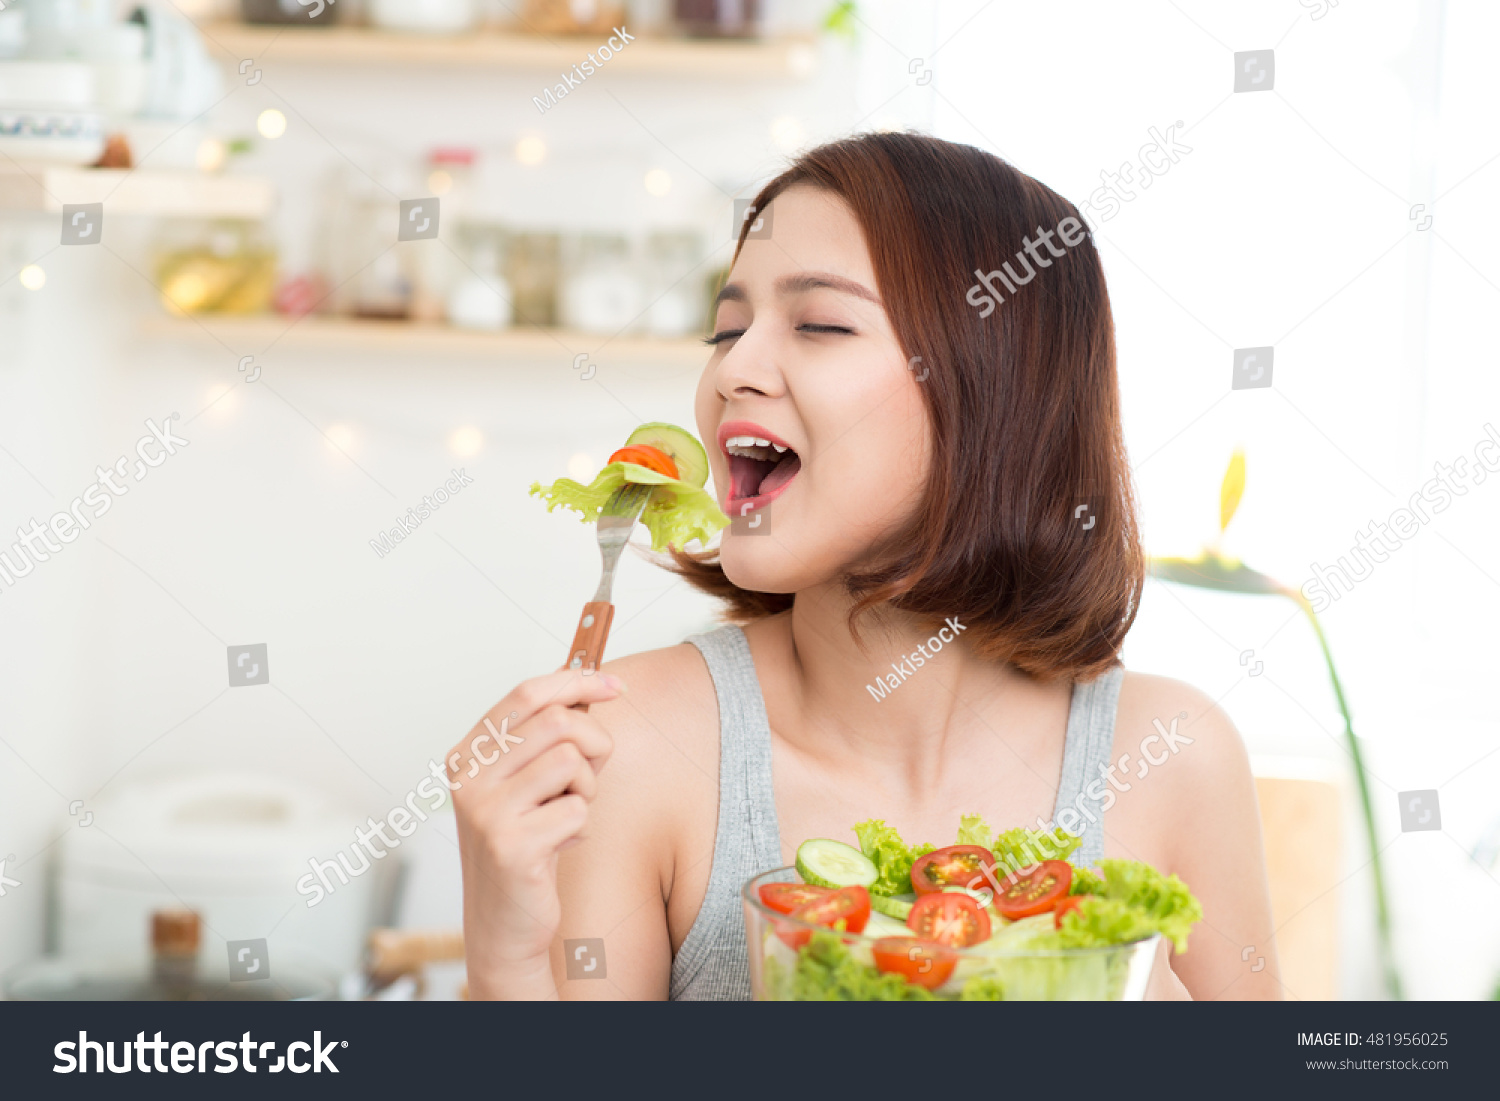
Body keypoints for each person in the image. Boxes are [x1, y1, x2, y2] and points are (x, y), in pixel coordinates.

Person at [450, 132, 1281, 1001]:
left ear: (995, 389)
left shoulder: (1174, 756)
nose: (733, 367)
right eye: (726, 328)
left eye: (818, 324)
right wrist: (505, 961)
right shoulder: (632, 745)